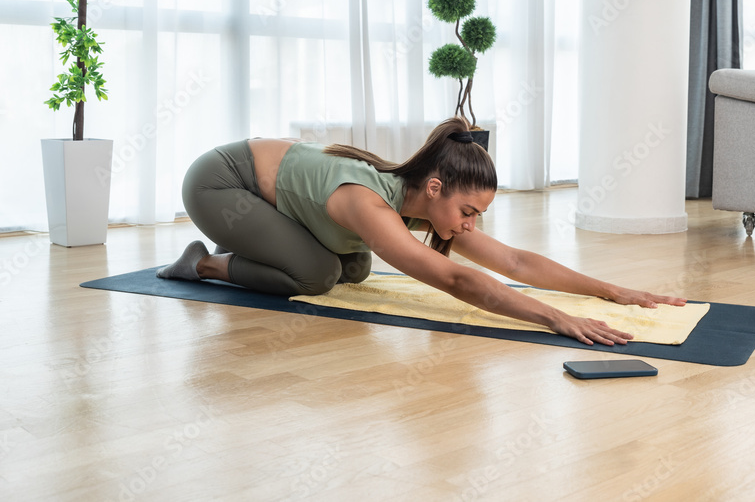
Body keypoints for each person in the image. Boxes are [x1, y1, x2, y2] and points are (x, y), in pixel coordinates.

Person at [158, 117, 686, 346]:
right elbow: (458, 282)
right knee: (320, 274)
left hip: (270, 197)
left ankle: (257, 241)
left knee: (357, 266)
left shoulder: (420, 200)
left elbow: (516, 264)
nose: (470, 224)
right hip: (220, 186)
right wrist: (556, 318)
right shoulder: (370, 204)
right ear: (434, 188)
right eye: (468, 210)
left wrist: (610, 289)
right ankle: (204, 262)